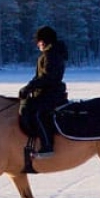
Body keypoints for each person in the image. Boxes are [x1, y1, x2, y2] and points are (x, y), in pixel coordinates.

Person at [18, 26, 68, 157]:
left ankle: (47, 145)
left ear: (44, 41)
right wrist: (29, 87)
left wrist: (30, 88)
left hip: (51, 94)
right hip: (46, 93)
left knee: (39, 114)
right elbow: (39, 77)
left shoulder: (51, 54)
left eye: (38, 42)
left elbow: (48, 77)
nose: (37, 45)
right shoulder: (48, 54)